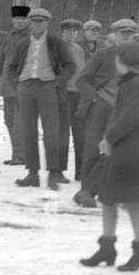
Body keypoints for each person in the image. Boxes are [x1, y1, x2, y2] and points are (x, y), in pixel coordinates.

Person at [80, 42, 139, 273]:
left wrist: (109, 138)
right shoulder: (130, 81)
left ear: (122, 61)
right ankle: (107, 247)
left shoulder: (138, 83)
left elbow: (128, 117)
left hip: (134, 149)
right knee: (107, 197)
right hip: (123, 147)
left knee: (133, 201)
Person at [8, 7, 77, 189]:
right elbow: (11, 66)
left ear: (47, 23)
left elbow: (70, 65)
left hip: (48, 87)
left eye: (41, 21)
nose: (37, 25)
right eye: (34, 21)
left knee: (51, 131)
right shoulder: (22, 44)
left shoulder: (56, 43)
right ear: (30, 23)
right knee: (28, 130)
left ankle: (54, 173)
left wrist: (57, 83)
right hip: (26, 87)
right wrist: (17, 82)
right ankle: (32, 173)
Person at [74, 18, 139, 207]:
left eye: (130, 34)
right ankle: (86, 191)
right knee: (94, 147)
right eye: (122, 33)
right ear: (115, 35)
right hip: (102, 106)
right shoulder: (103, 55)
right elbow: (82, 80)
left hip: (125, 109)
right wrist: (94, 98)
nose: (126, 37)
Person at [0, 5, 31, 167]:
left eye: (23, 19)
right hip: (7, 85)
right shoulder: (10, 36)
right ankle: (18, 154)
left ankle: (21, 155)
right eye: (16, 19)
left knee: (19, 123)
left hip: (23, 84)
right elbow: (1, 61)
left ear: (28, 20)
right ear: (12, 20)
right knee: (9, 121)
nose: (19, 22)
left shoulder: (32, 37)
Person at [58, 19, 87, 180]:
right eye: (68, 31)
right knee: (62, 133)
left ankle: (80, 171)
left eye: (74, 31)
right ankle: (60, 170)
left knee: (80, 134)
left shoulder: (79, 49)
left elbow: (82, 70)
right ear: (62, 32)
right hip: (63, 93)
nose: (71, 34)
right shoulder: (56, 48)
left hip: (78, 94)